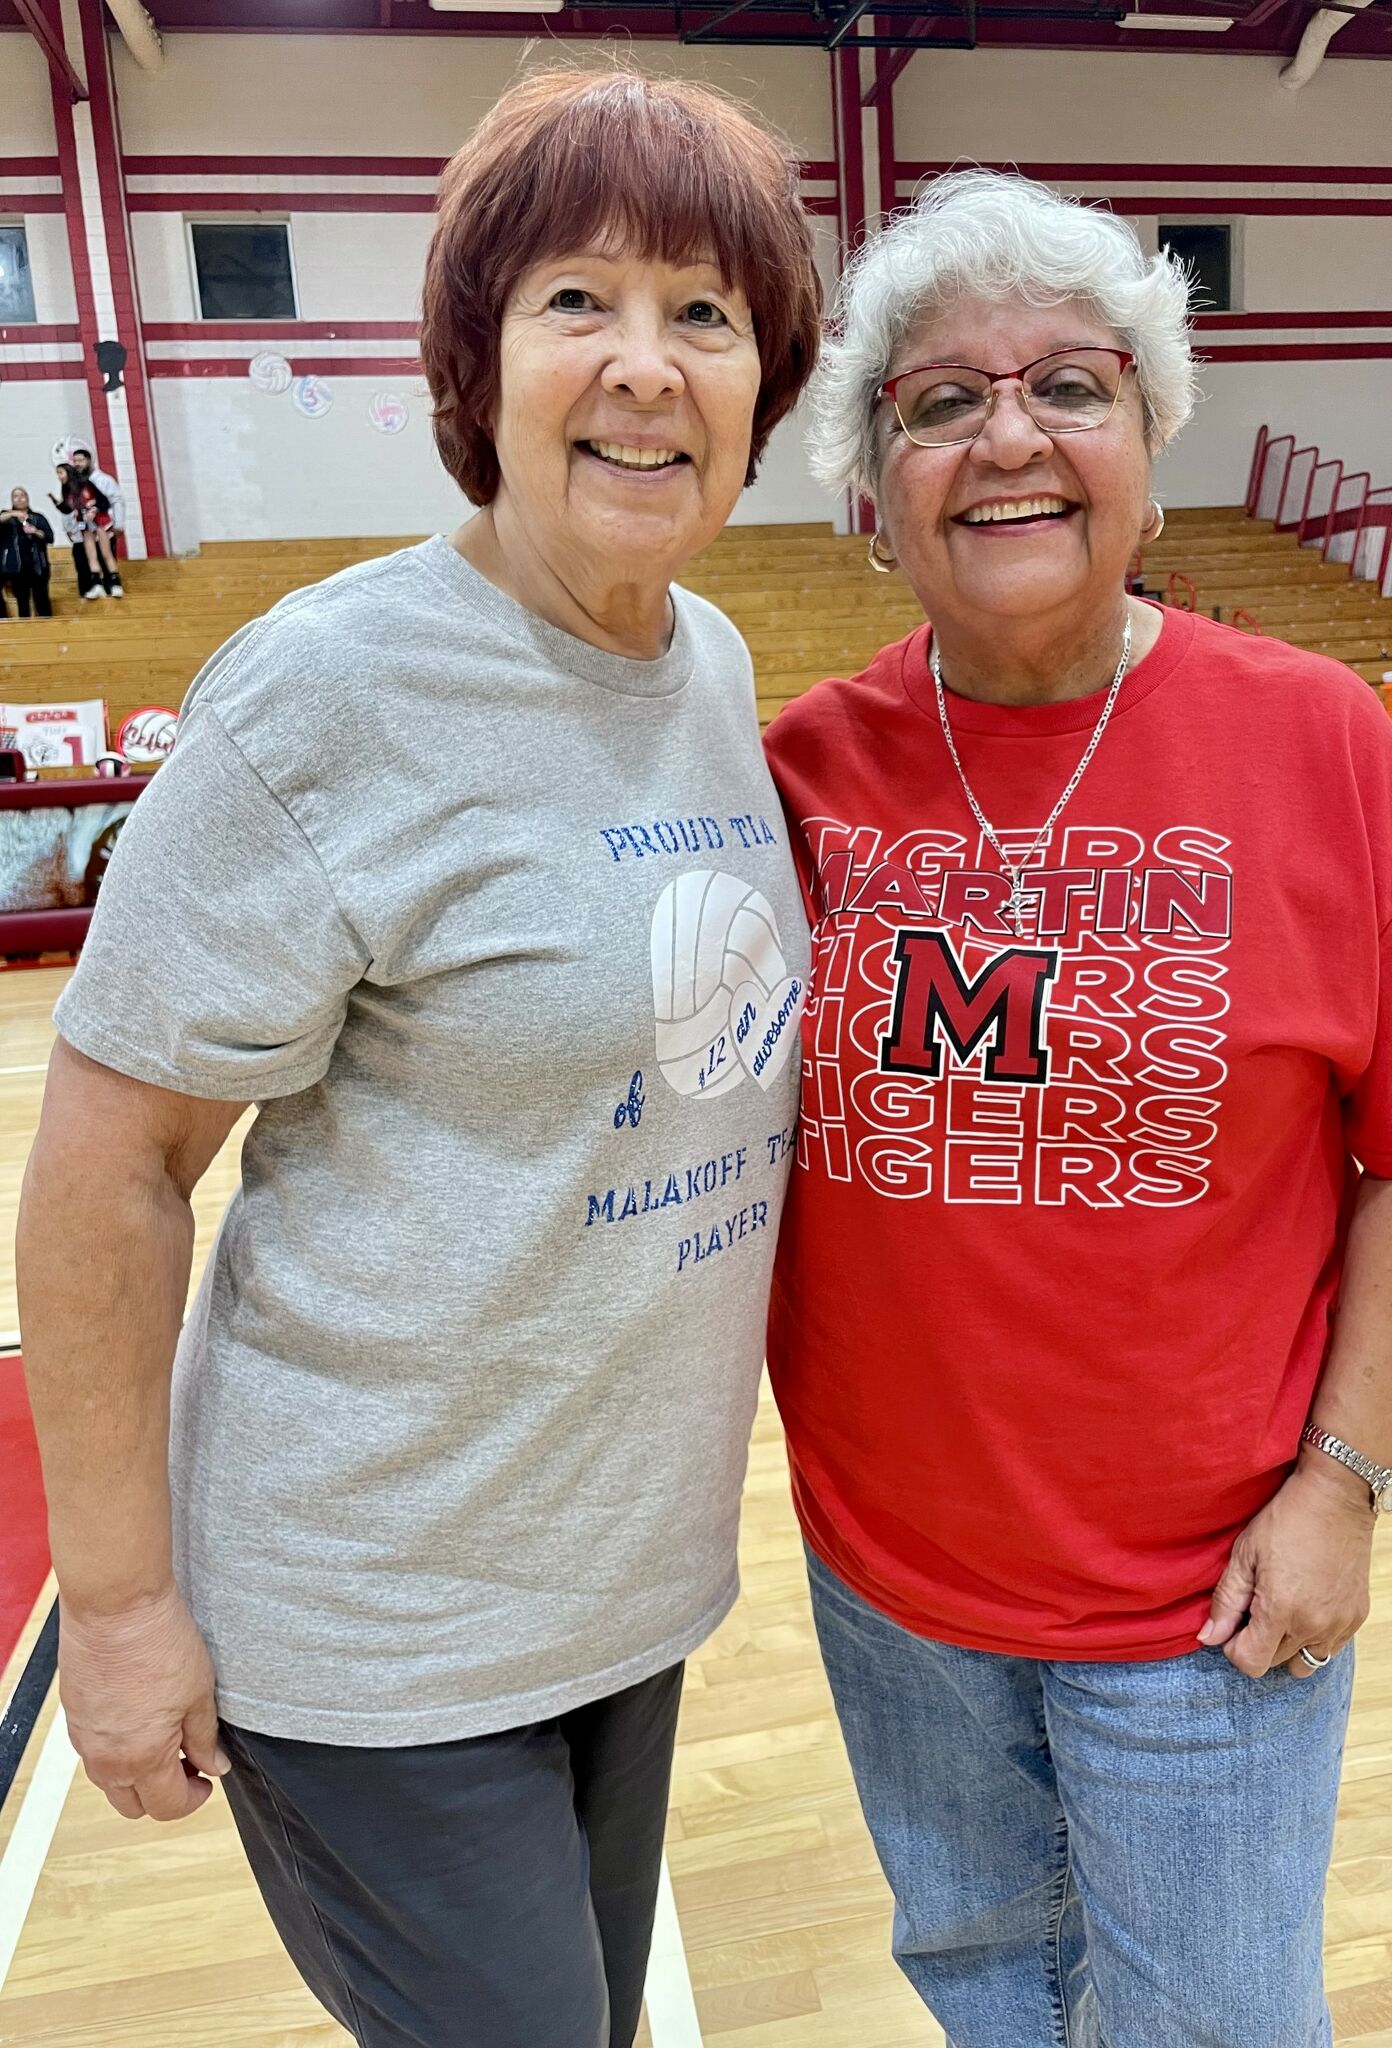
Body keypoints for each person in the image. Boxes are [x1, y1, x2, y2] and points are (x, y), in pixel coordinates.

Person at [19, 69, 820, 2048]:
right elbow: (112, 1165)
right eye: (578, 300)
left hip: (620, 1592)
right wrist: (118, 1606)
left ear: (764, 383)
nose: (646, 365)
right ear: (475, 362)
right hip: (372, 1622)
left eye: (705, 313)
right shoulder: (329, 693)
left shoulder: (711, 664)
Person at [763, 171, 1392, 2048]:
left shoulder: (1318, 739)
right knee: (989, 1991)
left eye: (1069, 385)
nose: (1007, 438)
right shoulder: (800, 770)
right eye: (940, 401)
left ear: (1150, 437)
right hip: (892, 1582)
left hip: (1208, 1597)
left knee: (1215, 2021)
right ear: (873, 481)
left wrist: (1344, 1483)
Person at [68, 444, 124, 596]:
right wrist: (69, 528)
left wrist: (119, 523)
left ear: (89, 461)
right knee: (85, 563)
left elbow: (115, 501)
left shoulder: (104, 480)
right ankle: (93, 588)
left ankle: (114, 587)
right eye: (75, 461)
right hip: (84, 529)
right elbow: (70, 508)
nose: (77, 464)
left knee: (106, 557)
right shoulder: (72, 483)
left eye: (80, 460)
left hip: (103, 525)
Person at [0, 487, 54, 617]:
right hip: (16, 568)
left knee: (42, 601)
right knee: (22, 603)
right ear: (12, 500)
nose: (19, 499)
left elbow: (50, 537)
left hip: (38, 566)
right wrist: (13, 514)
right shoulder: (7, 518)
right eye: (16, 496)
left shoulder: (38, 517)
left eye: (22, 495)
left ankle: (48, 627)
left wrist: (35, 531)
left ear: (27, 498)